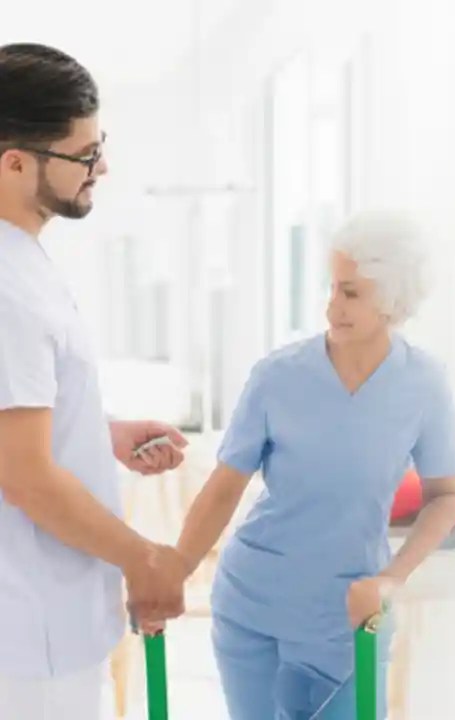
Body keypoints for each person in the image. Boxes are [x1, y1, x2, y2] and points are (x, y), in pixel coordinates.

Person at [169, 210, 455, 718]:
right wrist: (172, 574)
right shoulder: (276, 377)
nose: (333, 307)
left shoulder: (423, 383)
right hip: (254, 606)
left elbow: (445, 495)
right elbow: (225, 486)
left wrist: (392, 578)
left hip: (352, 613)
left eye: (352, 293)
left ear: (392, 299)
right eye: (332, 288)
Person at [0, 43, 189, 716]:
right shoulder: (8, 287)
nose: (101, 166)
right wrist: (143, 558)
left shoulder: (23, 260)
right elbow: (23, 476)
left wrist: (98, 433)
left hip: (41, 623)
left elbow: (18, 426)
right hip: (31, 635)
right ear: (15, 163)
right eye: (83, 154)